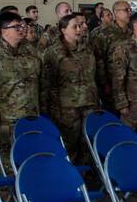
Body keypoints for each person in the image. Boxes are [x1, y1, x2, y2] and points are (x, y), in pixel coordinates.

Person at [0, 9, 41, 163]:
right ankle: (5, 188)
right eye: (16, 27)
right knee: (7, 160)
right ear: (3, 30)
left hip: (31, 114)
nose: (21, 29)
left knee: (30, 155)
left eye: (22, 25)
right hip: (5, 117)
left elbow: (39, 79)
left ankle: (28, 186)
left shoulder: (30, 49)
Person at [39, 13, 97, 164]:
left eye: (80, 26)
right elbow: (46, 83)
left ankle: (85, 176)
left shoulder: (87, 49)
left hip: (88, 103)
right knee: (68, 144)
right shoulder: (53, 52)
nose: (79, 29)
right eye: (74, 27)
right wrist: (46, 108)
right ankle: (66, 174)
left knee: (87, 143)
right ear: (63, 30)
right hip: (65, 107)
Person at [92, 0, 132, 105]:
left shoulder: (131, 32)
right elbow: (99, 59)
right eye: (126, 10)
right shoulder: (104, 33)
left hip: (130, 82)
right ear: (116, 13)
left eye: (130, 10)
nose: (129, 13)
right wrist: (104, 83)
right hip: (112, 82)